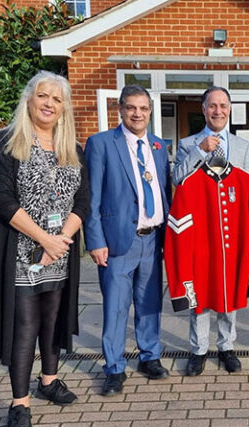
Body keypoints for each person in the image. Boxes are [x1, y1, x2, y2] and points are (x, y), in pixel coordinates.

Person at [0, 70, 90, 427]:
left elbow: (83, 201)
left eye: (57, 99)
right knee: (25, 327)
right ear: (29, 99)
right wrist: (45, 240)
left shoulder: (73, 149)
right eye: (43, 96)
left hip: (59, 255)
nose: (49, 104)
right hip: (22, 254)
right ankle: (20, 403)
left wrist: (60, 240)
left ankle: (48, 381)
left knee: (52, 322)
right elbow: (2, 201)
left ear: (64, 108)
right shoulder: (7, 143)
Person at [84, 84, 171, 395]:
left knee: (149, 303)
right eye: (131, 107)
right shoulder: (101, 143)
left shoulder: (159, 147)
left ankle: (150, 356)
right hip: (119, 240)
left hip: (153, 240)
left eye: (143, 108)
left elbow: (165, 193)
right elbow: (91, 197)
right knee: (117, 306)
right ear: (120, 109)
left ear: (150, 112)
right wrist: (94, 240)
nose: (138, 113)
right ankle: (114, 367)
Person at [172, 86, 249, 376]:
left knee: (229, 288)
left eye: (222, 105)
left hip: (230, 230)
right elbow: (178, 179)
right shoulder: (187, 144)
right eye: (212, 106)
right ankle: (198, 349)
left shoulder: (243, 146)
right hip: (200, 232)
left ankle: (227, 346)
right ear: (204, 109)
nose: (217, 111)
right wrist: (199, 151)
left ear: (229, 109)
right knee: (201, 290)